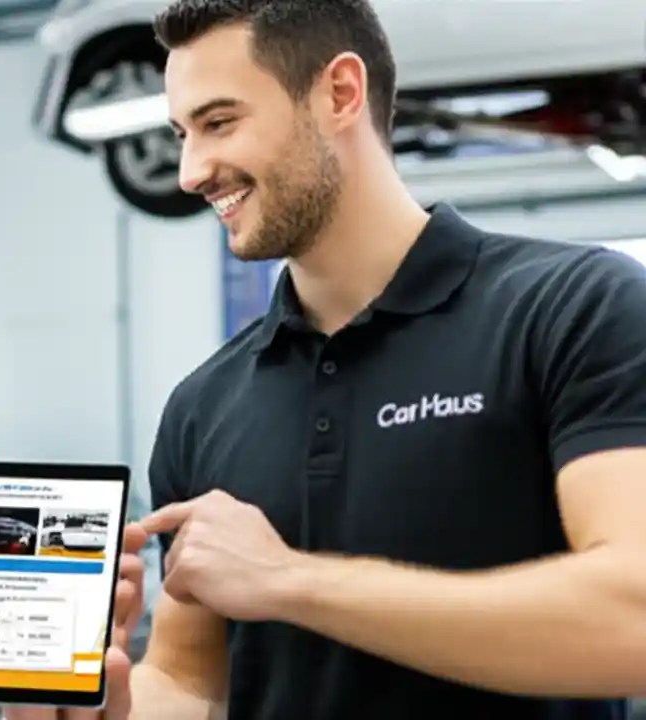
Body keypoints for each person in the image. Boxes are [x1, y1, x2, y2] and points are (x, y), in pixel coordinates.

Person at [127, 1, 646, 719]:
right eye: (182, 134)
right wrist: (91, 701)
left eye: (220, 123)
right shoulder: (202, 406)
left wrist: (290, 581)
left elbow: (633, 619)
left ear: (340, 93)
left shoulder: (573, 308)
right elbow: (185, 682)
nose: (190, 172)